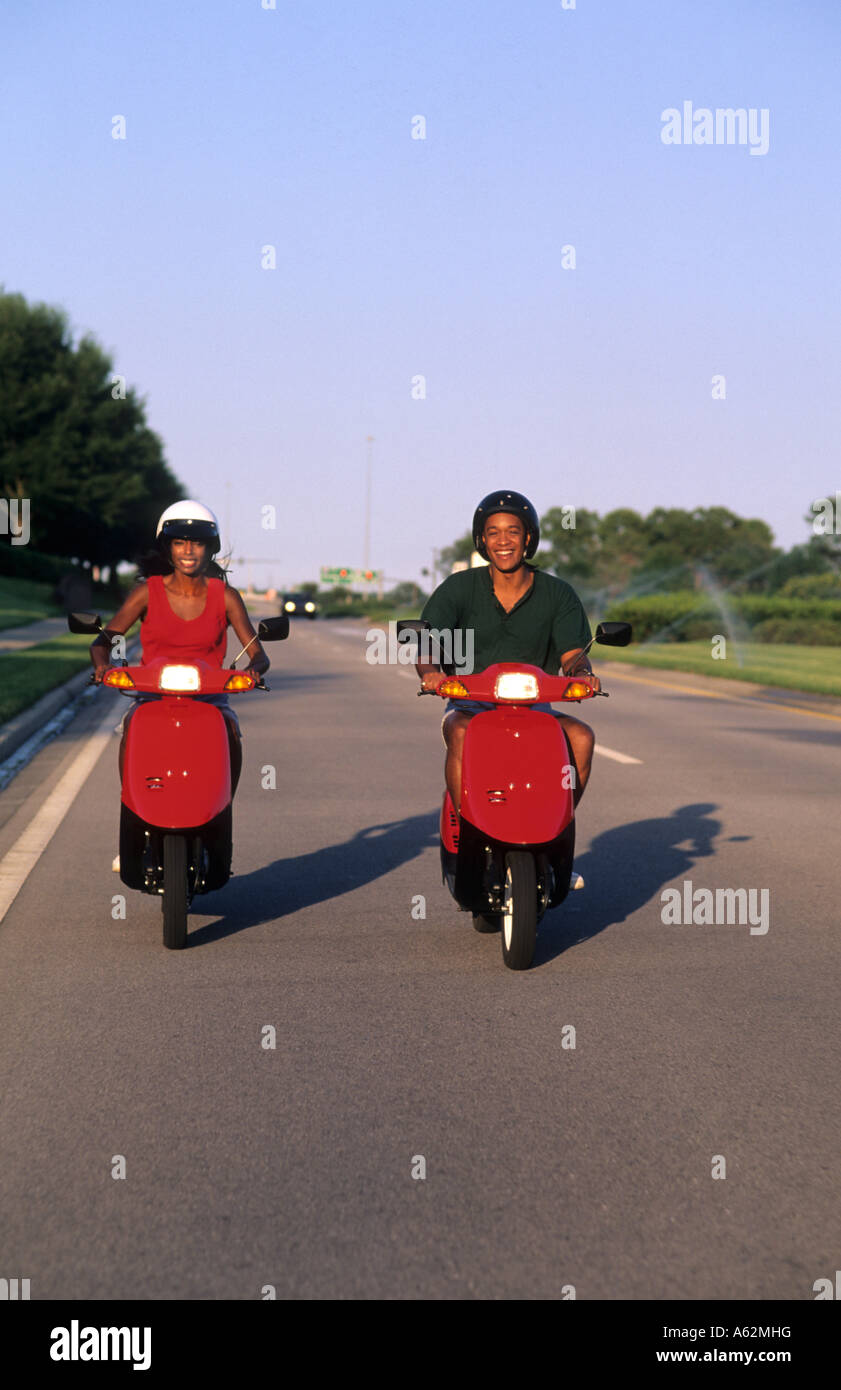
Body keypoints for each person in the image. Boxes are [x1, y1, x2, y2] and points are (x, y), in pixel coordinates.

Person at [416, 490, 600, 836]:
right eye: (493, 532)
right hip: (471, 705)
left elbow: (572, 653)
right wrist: (431, 674)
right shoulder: (458, 588)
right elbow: (428, 642)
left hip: (535, 709)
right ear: (481, 540)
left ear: (528, 537)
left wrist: (583, 674)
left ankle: (554, 830)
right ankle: (472, 830)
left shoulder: (557, 593)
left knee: (581, 737)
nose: (503, 541)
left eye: (513, 531)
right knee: (460, 731)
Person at [89, 500, 270, 801]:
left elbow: (258, 653)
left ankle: (222, 806)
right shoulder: (146, 592)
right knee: (131, 725)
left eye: (197, 543)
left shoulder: (226, 597)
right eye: (180, 542)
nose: (188, 551)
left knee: (231, 731)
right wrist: (102, 666)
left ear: (210, 549)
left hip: (209, 695)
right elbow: (102, 642)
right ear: (168, 548)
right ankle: (132, 804)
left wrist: (255, 670)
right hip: (152, 693)